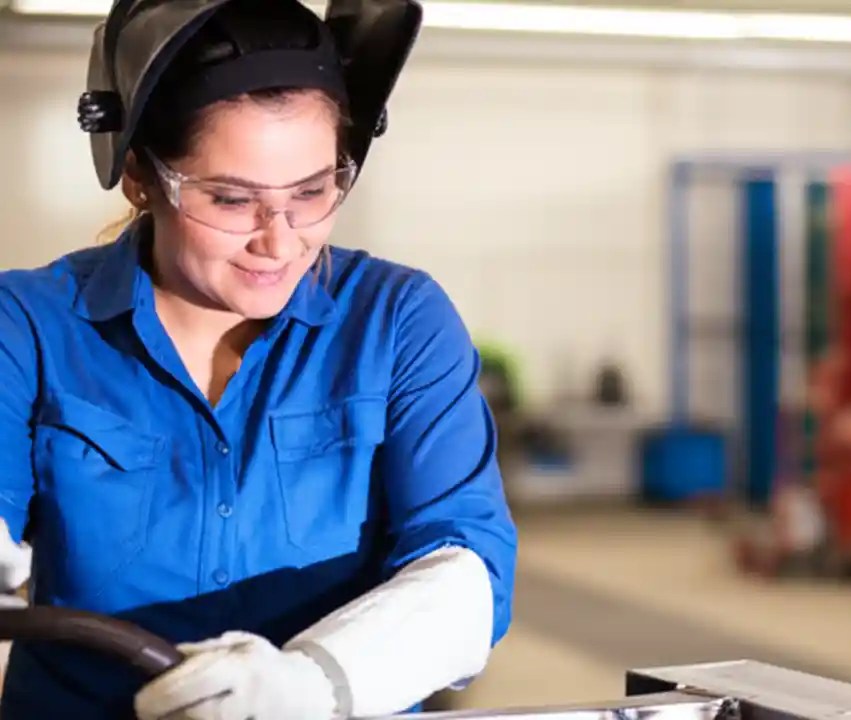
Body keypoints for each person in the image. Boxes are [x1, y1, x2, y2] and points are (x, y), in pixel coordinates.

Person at [0, 0, 517, 717]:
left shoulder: (397, 321)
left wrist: (314, 684)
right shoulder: (30, 323)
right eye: (232, 199)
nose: (280, 241)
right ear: (141, 178)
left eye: (311, 192)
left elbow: (468, 568)